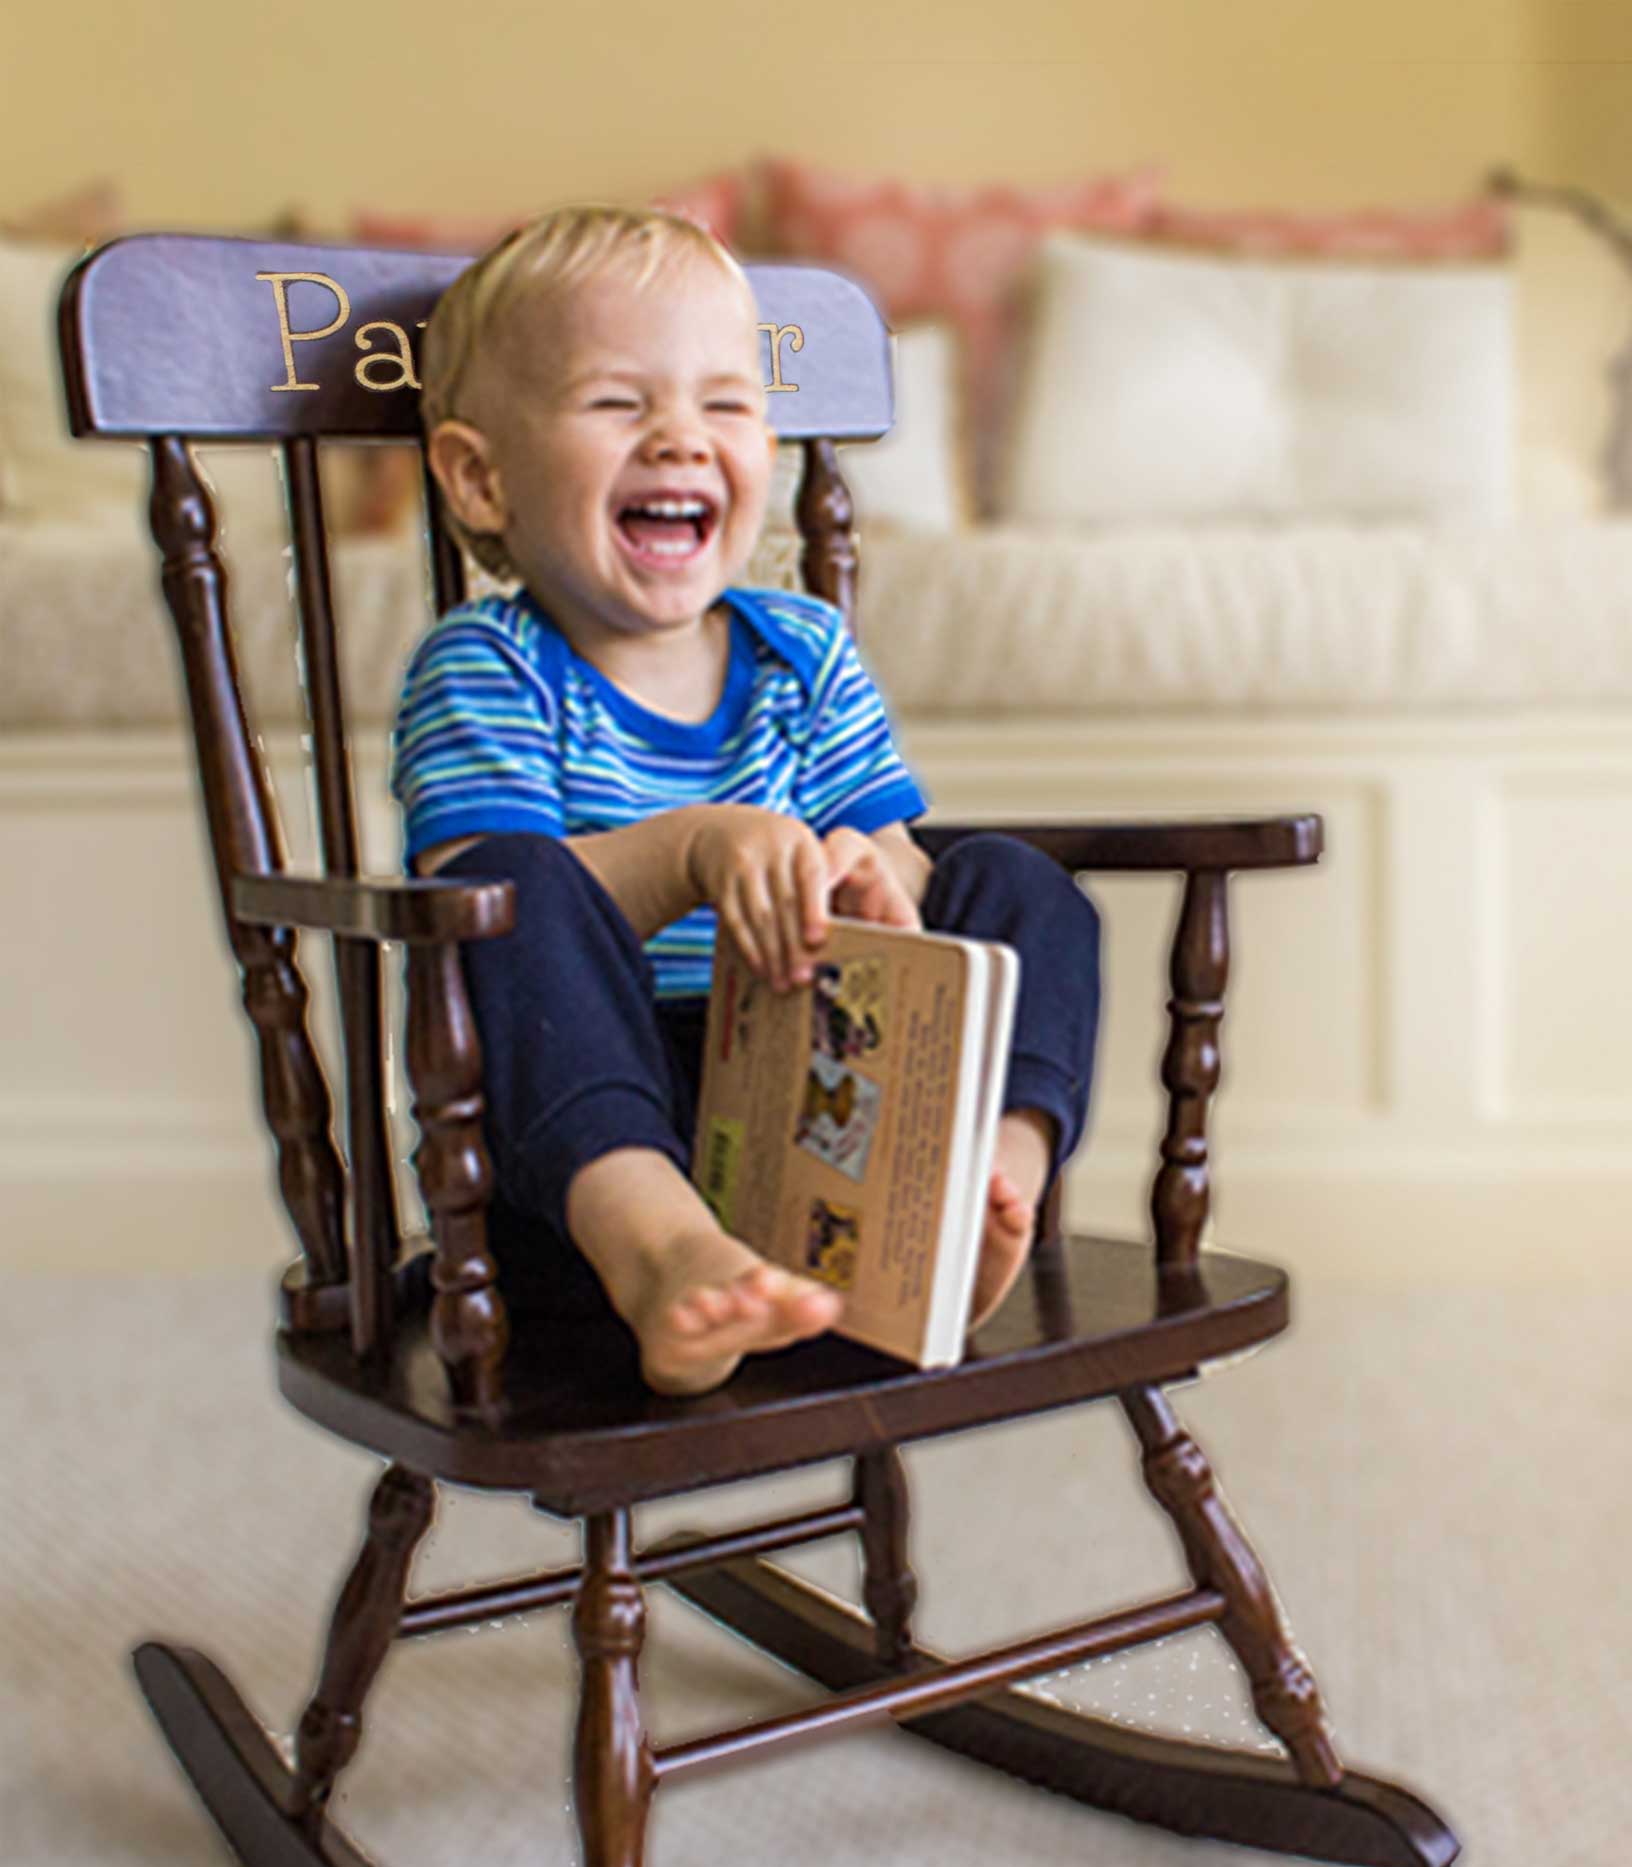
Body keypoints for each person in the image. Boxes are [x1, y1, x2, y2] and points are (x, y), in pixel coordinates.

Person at [391, 203, 1100, 1397]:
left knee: (1016, 883)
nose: (679, 438)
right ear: (480, 477)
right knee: (499, 888)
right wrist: (693, 850)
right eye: (616, 402)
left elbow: (896, 868)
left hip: (820, 1137)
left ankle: (977, 1197)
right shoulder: (488, 666)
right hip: (583, 1155)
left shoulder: (801, 652)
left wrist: (874, 881)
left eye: (724, 404)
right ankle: (667, 1255)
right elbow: (485, 933)